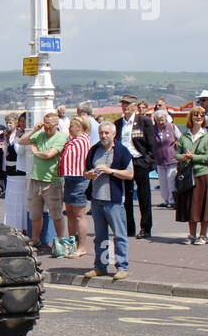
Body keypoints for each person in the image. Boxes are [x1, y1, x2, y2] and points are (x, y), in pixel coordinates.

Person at [84, 121, 134, 279]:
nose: (103, 136)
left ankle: (122, 266)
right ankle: (101, 266)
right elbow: (85, 172)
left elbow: (130, 174)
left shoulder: (121, 151)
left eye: (106, 133)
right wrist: (89, 175)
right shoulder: (94, 150)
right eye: (101, 133)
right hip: (97, 198)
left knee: (119, 235)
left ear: (114, 134)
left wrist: (110, 171)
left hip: (114, 199)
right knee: (100, 236)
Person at [18, 111, 68, 250]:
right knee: (35, 213)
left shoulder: (60, 137)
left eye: (49, 125)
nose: (47, 127)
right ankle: (36, 239)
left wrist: (35, 151)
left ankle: (60, 241)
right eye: (45, 124)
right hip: (36, 178)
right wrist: (35, 129)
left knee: (56, 213)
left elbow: (48, 154)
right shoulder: (40, 134)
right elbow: (22, 141)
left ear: (56, 125)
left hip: (52, 180)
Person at [114, 94, 159, 239]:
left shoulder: (144, 121)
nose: (125, 107)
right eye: (123, 104)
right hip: (125, 163)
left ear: (135, 106)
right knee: (126, 196)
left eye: (128, 104)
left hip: (139, 161)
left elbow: (152, 144)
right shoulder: (118, 123)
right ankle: (129, 228)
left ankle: (146, 227)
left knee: (144, 196)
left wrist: (148, 161)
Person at [175, 105, 208, 244]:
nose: (199, 117)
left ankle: (203, 235)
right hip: (188, 174)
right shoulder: (184, 136)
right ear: (191, 117)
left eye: (201, 115)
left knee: (204, 205)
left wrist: (195, 157)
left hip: (202, 173)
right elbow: (177, 154)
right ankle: (192, 234)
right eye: (196, 115)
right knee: (190, 205)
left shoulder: (206, 137)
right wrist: (184, 157)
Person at [59, 115, 91, 258]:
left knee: (79, 214)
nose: (69, 127)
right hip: (69, 178)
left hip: (79, 179)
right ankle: (72, 244)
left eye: (71, 125)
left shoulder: (82, 141)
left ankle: (82, 246)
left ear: (79, 127)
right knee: (70, 213)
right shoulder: (71, 141)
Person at [2, 112, 29, 232]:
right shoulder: (11, 135)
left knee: (20, 201)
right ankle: (12, 225)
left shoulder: (22, 135)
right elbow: (6, 152)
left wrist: (17, 137)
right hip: (11, 171)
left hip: (20, 171)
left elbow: (19, 151)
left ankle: (21, 226)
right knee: (11, 200)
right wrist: (7, 139)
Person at [151, 109, 180, 208]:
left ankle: (172, 200)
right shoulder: (153, 129)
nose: (161, 122)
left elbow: (180, 139)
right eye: (159, 120)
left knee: (170, 179)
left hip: (171, 158)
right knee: (162, 182)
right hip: (159, 159)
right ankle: (166, 199)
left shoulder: (172, 127)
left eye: (162, 119)